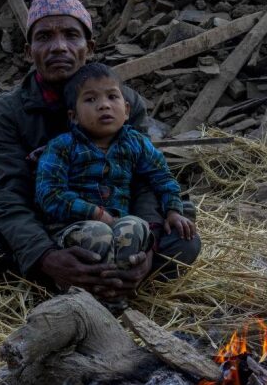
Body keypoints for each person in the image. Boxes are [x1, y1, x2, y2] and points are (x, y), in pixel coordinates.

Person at [0, 0, 201, 305]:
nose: (59, 47)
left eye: (71, 35)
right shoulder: (11, 109)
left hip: (120, 224)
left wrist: (147, 248)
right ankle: (61, 274)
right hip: (48, 225)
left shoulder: (123, 103)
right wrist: (45, 256)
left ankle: (121, 274)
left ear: (89, 48)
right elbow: (4, 192)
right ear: (28, 51)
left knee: (184, 237)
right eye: (44, 37)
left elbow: (147, 180)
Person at [35, 63, 197, 299]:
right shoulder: (62, 146)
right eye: (90, 100)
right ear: (73, 116)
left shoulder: (135, 143)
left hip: (119, 223)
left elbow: (161, 176)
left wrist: (173, 209)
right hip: (72, 227)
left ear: (127, 110)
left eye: (112, 97)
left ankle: (118, 295)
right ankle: (83, 299)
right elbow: (49, 194)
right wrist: (96, 213)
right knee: (98, 232)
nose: (104, 105)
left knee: (136, 226)